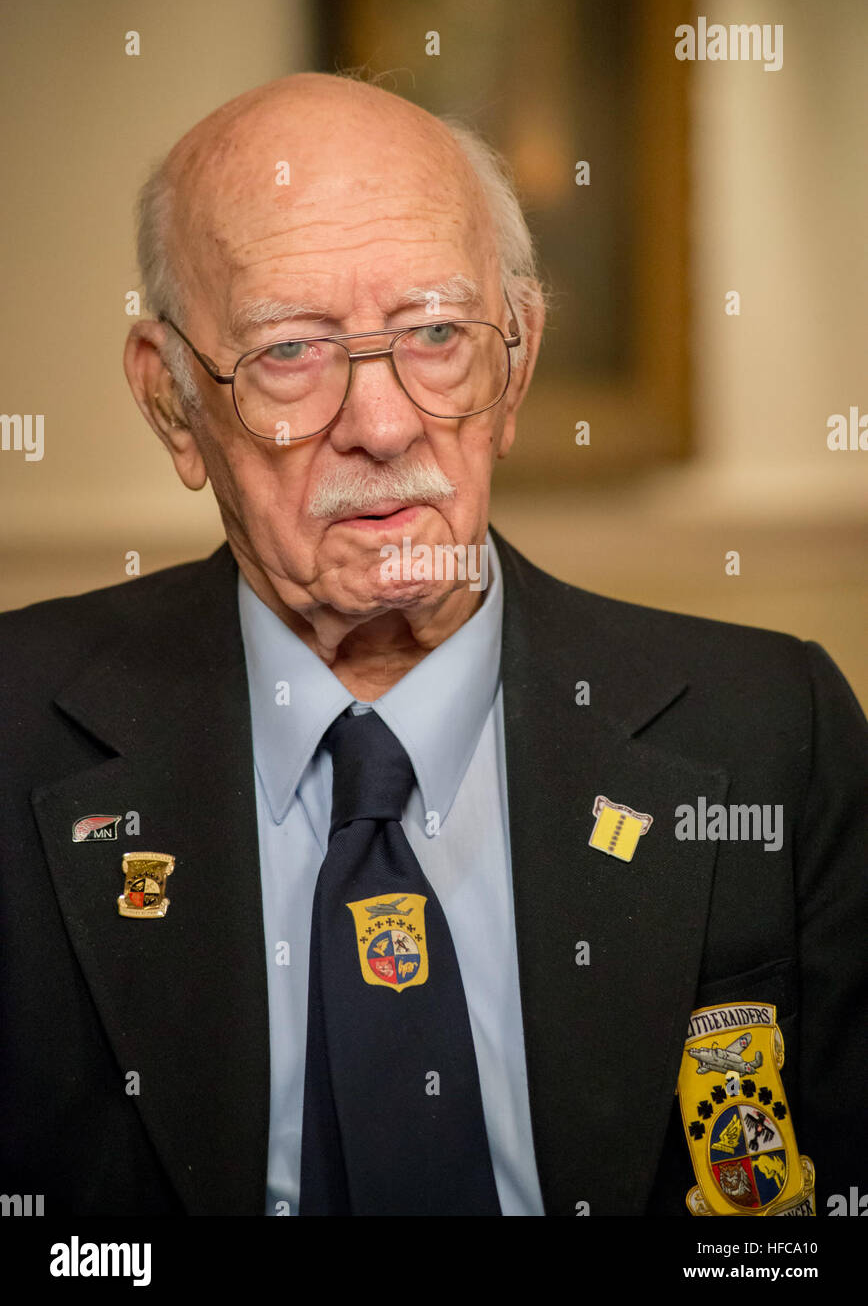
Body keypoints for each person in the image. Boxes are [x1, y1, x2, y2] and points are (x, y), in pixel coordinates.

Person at [1, 73, 865, 1217]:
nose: (382, 423)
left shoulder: (771, 733)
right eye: (290, 353)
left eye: (436, 333)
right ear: (172, 405)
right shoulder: (18, 731)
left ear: (515, 360)